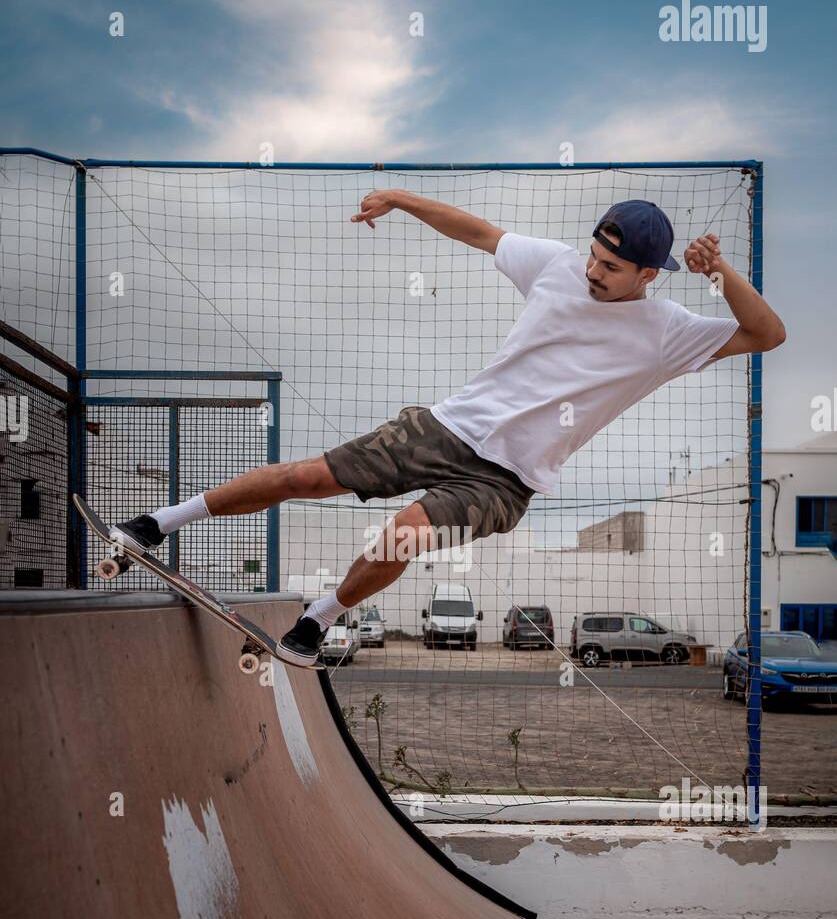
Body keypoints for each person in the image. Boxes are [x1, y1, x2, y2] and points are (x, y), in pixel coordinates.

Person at [110, 192, 785, 667]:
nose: (591, 273)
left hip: (504, 483)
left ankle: (318, 616)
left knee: (403, 532)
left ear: (646, 274)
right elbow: (477, 232)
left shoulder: (668, 333)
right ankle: (158, 522)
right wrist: (401, 199)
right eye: (592, 257)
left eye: (609, 269)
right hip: (443, 428)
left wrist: (720, 274)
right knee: (305, 476)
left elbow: (766, 333)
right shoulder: (553, 265)